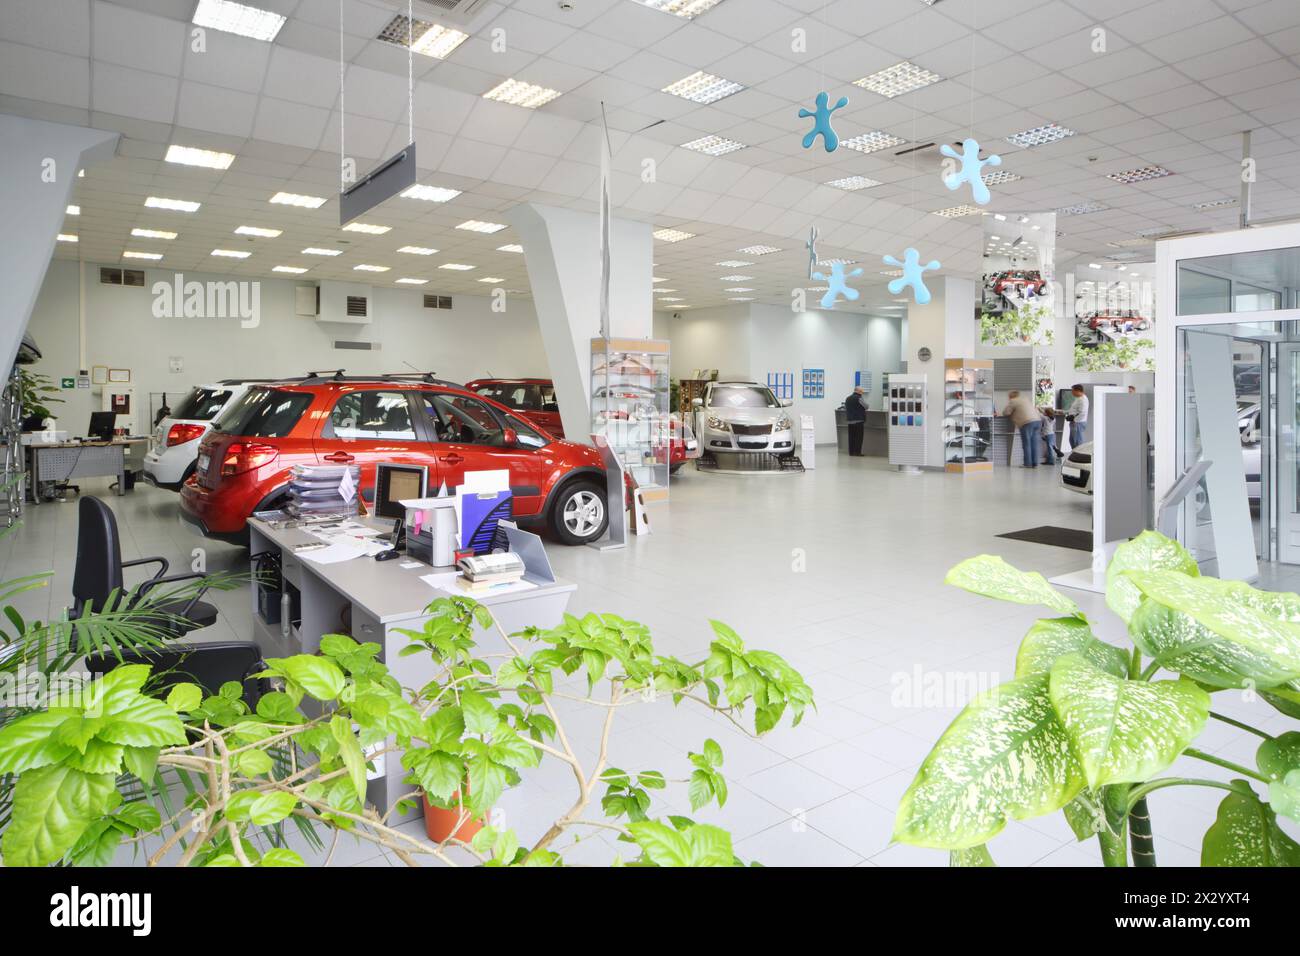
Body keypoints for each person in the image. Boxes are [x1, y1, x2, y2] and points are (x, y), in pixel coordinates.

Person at [1002, 390, 1041, 468]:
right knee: (1034, 444)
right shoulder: (1025, 399)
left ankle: (1028, 464)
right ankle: (1035, 463)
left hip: (1027, 422)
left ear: (1011, 396)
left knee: (1026, 444)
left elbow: (1006, 412)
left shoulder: (1013, 401)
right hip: (1037, 421)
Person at [844, 386, 867, 456]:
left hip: (850, 421)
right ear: (859, 391)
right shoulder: (859, 398)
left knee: (851, 437)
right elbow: (866, 406)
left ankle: (851, 452)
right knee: (859, 437)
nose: (862, 392)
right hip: (858, 420)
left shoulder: (847, 398)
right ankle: (857, 452)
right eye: (862, 391)